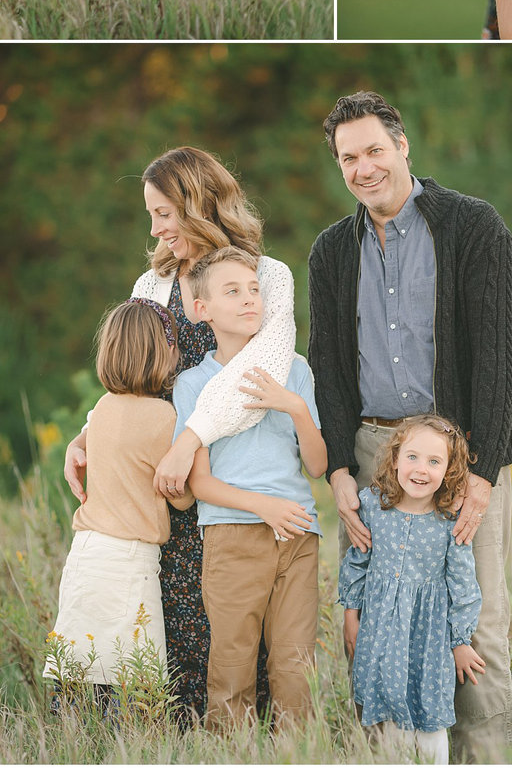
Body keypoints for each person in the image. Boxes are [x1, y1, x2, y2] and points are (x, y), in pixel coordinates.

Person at [308, 92, 512, 764]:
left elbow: (498, 357)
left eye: (374, 149)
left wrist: (481, 476)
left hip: (459, 449)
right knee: (373, 621)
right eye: (348, 157)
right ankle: (390, 756)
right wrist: (339, 471)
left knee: (476, 621)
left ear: (402, 146)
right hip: (372, 452)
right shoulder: (332, 252)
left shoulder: (474, 227)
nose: (363, 167)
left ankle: (485, 757)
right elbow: (328, 368)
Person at [60, 147, 296, 720]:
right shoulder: (152, 284)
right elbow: (133, 378)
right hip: (163, 480)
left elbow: (258, 374)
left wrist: (189, 441)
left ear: (199, 204)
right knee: (162, 611)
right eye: (151, 214)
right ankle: (163, 738)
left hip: (230, 477)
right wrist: (87, 434)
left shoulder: (266, 277)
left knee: (232, 621)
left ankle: (238, 744)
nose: (155, 229)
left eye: (164, 213)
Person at [173, 249, 326, 732]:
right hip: (232, 536)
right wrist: (264, 507)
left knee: (296, 664)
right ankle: (231, 753)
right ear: (203, 310)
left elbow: (318, 466)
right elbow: (199, 484)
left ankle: (297, 754)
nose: (248, 300)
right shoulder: (193, 384)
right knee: (233, 664)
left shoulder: (295, 369)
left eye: (254, 289)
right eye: (232, 291)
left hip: (298, 536)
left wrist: (295, 407)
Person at [43, 299, 182, 707]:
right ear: (162, 351)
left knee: (80, 655)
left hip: (86, 551)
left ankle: (76, 733)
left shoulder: (101, 409)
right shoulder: (163, 417)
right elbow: (183, 493)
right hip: (130, 557)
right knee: (132, 663)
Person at [338, 415, 486, 767]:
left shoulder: (451, 519)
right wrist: (350, 614)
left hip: (429, 637)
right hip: (381, 631)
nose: (421, 469)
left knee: (429, 711)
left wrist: (461, 641)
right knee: (388, 708)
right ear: (395, 459)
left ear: (450, 470)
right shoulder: (373, 505)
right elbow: (357, 561)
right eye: (413, 457)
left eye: (435, 462)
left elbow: (463, 584)